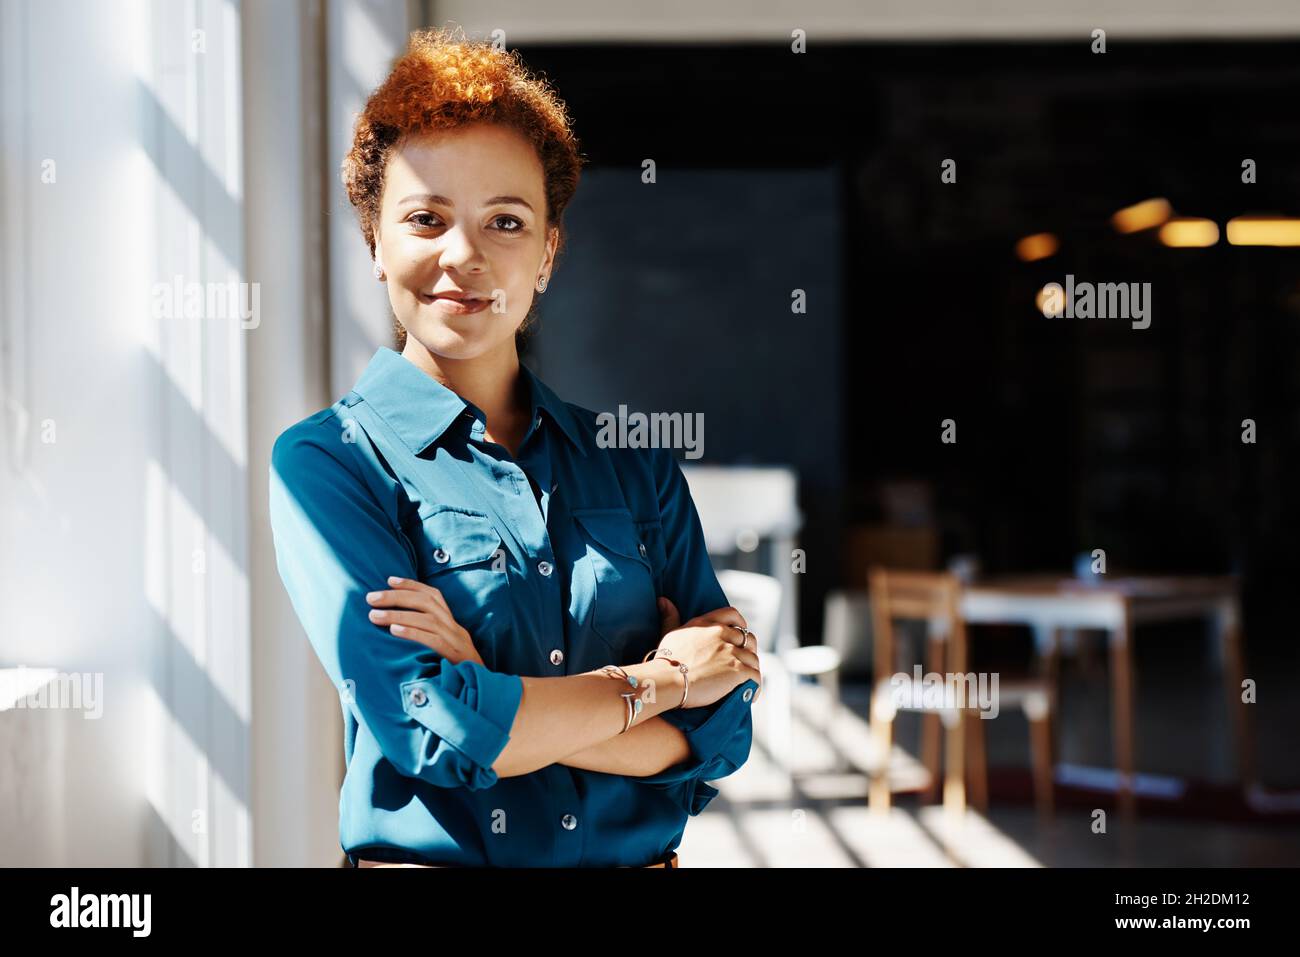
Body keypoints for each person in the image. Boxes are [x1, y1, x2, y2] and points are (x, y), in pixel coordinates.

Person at [267, 26, 762, 868]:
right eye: (426, 218)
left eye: (505, 220)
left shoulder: (635, 467)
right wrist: (665, 684)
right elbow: (437, 732)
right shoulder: (329, 463)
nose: (463, 255)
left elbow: (721, 737)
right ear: (373, 241)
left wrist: (504, 704)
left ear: (547, 254)